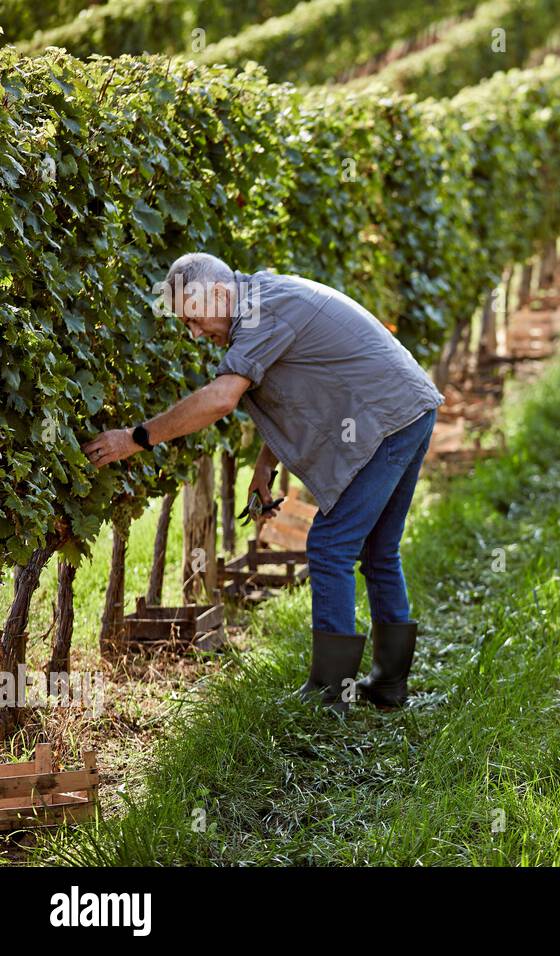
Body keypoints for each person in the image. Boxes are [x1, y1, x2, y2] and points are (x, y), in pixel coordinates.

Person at [81, 253, 444, 714]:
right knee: (378, 550)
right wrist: (265, 467)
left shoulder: (259, 310)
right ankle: (388, 686)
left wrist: (137, 438)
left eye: (192, 318)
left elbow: (221, 399)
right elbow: (291, 382)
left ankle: (329, 695)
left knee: (331, 548)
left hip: (390, 419)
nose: (194, 333)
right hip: (408, 408)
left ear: (215, 292)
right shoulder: (260, 297)